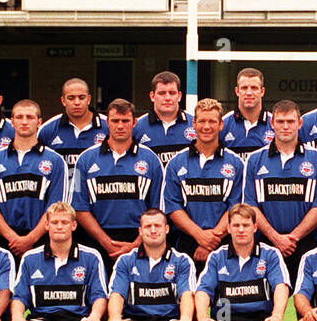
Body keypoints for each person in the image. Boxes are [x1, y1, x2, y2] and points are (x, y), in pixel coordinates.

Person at [242, 99, 317, 281]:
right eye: (280, 122)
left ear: (300, 123)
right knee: (265, 302)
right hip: (266, 243)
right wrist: (275, 238)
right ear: (272, 123)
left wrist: (293, 238)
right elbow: (250, 206)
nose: (285, 127)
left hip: (306, 243)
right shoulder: (254, 159)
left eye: (290, 121)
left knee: (308, 303)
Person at [71, 98, 164, 264]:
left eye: (125, 121)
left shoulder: (152, 160)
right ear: (107, 122)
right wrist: (106, 242)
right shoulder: (83, 160)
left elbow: (157, 207)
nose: (120, 126)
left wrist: (136, 244)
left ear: (134, 122)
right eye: (115, 121)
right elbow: (79, 207)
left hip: (141, 241)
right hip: (97, 241)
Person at [0, 99, 70, 257]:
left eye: (30, 117)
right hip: (2, 242)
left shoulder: (55, 161)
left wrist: (30, 239)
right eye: (19, 117)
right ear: (12, 122)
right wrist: (13, 238)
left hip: (41, 242)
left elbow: (56, 208)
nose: (24, 122)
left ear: (39, 122)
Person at [162, 98, 244, 262]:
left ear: (221, 125)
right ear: (194, 123)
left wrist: (210, 241)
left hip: (224, 243)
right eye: (202, 121)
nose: (207, 127)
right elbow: (172, 206)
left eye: (212, 121)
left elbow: (235, 208)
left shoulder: (236, 163)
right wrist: (199, 236)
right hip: (186, 244)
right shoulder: (176, 163)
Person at [38, 77, 106, 189]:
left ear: (89, 99)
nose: (77, 102)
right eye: (71, 98)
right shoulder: (47, 130)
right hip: (62, 200)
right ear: (63, 101)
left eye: (81, 97)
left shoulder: (107, 127)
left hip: (97, 200)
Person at [134, 71, 197, 168]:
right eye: (162, 93)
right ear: (152, 96)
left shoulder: (195, 124)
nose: (167, 98)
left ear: (179, 96)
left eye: (172, 93)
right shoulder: (137, 127)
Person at [221, 68, 275, 161]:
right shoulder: (223, 124)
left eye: (254, 88)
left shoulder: (275, 124)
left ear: (262, 91)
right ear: (237, 91)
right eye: (244, 88)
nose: (249, 93)